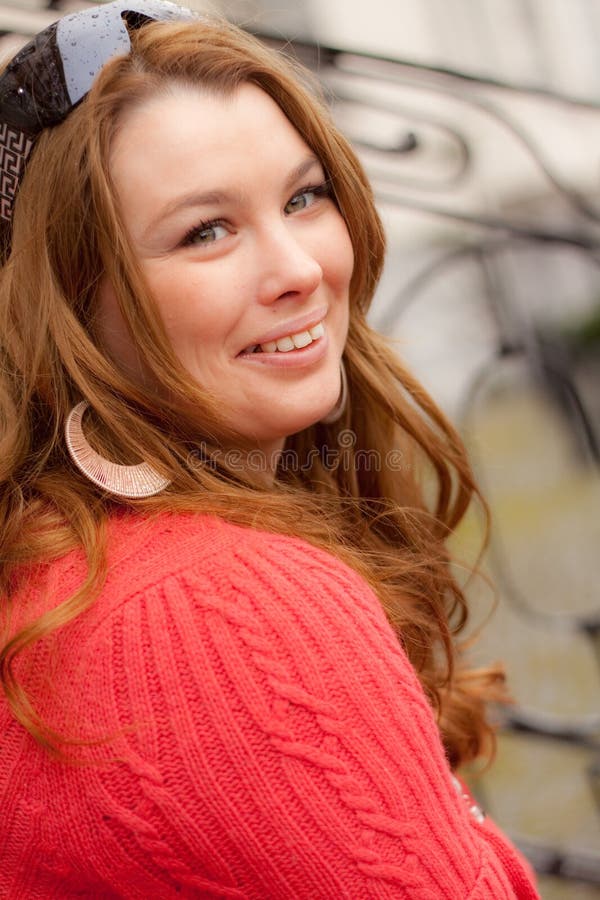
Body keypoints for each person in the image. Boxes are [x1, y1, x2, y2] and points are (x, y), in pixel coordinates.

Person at [0, 2, 539, 896]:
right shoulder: (226, 606)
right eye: (204, 231)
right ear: (75, 306)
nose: (297, 268)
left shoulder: (58, 564)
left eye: (304, 196)